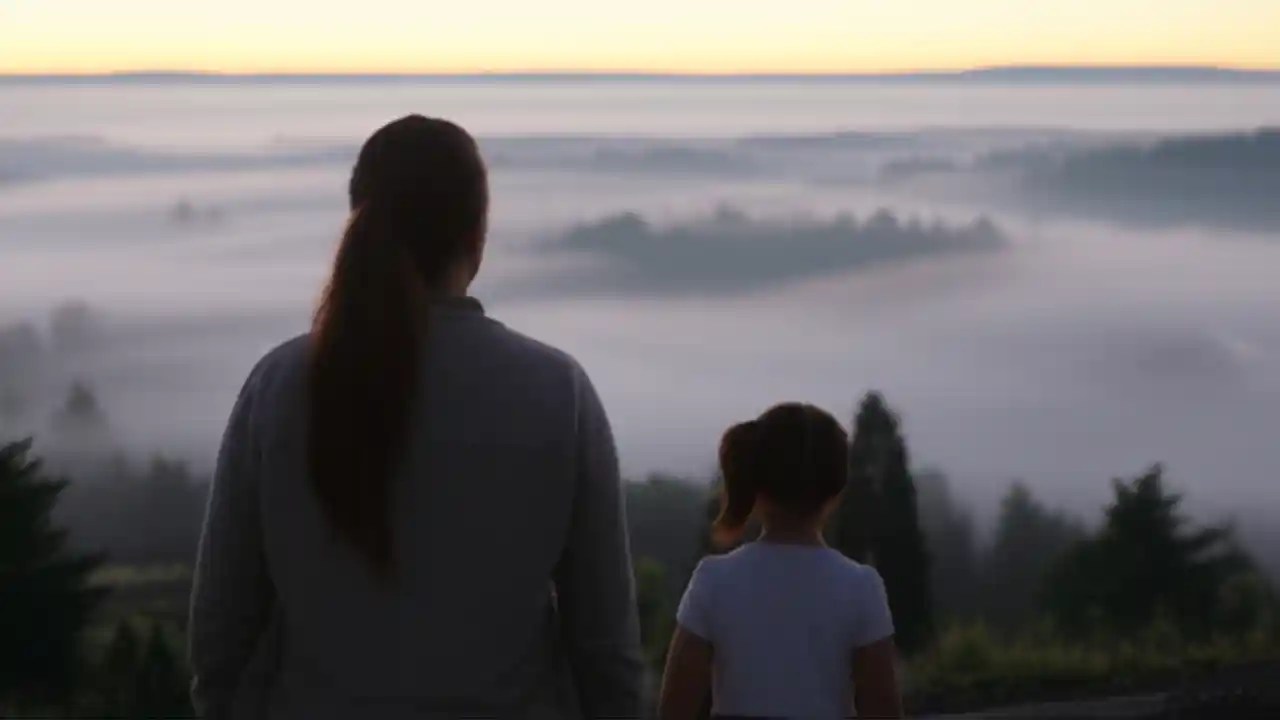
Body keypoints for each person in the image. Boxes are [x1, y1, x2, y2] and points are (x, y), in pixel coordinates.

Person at [189, 115, 642, 720]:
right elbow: (606, 651)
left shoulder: (276, 387)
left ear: (359, 221)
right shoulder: (559, 392)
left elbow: (221, 634)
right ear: (476, 236)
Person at [659, 403, 903, 719]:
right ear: (837, 489)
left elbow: (674, 710)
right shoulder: (861, 588)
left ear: (755, 481)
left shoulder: (714, 581)